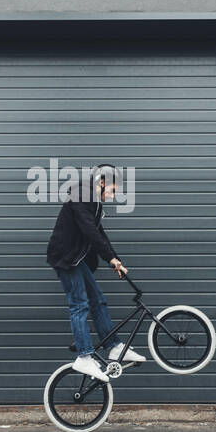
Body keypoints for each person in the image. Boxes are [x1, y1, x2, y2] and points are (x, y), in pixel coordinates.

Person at [45, 163, 146, 382]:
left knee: (98, 300)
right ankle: (84, 356)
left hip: (76, 259)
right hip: (66, 258)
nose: (113, 194)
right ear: (101, 182)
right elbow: (89, 231)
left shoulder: (93, 202)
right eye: (112, 189)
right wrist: (109, 257)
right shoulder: (82, 195)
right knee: (79, 304)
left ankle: (114, 347)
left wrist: (114, 260)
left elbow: (99, 232)